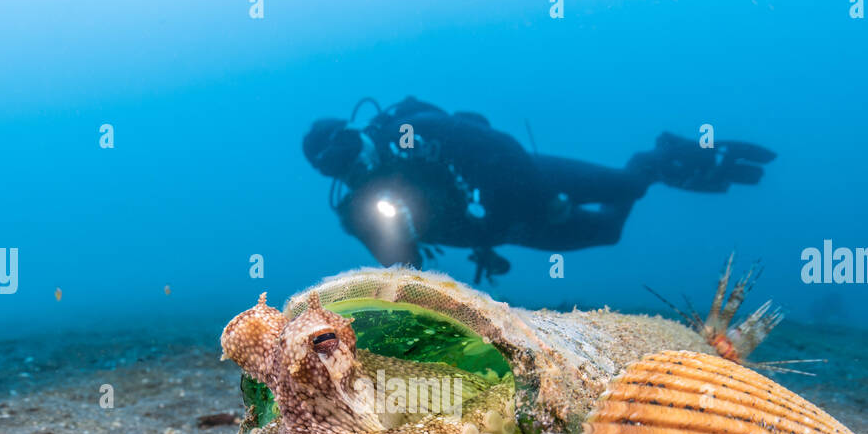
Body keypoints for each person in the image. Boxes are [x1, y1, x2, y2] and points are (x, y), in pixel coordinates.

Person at [302, 96, 776, 283]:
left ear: (356, 130)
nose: (352, 161)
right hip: (510, 226)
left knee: (626, 183)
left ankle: (654, 159)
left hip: (532, 178)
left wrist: (542, 199)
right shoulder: (361, 208)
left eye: (347, 146)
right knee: (609, 232)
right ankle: (650, 166)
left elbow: (498, 145)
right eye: (336, 165)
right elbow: (406, 266)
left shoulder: (414, 131)